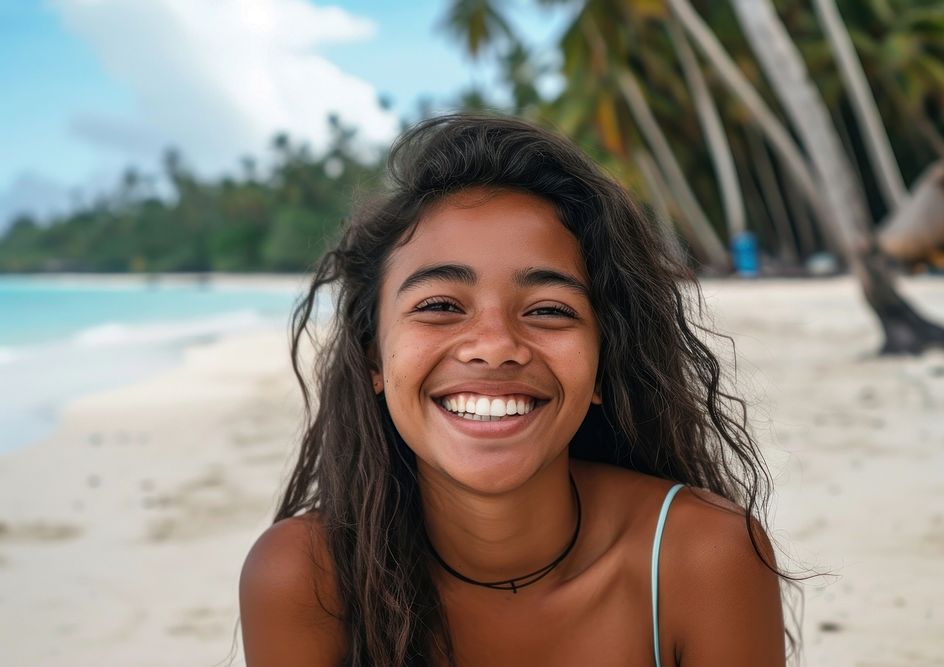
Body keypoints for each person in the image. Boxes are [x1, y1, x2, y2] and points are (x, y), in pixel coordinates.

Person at [239, 114, 791, 666]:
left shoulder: (700, 558)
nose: (495, 345)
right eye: (440, 306)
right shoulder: (306, 577)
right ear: (373, 358)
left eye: (549, 310)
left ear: (603, 364)